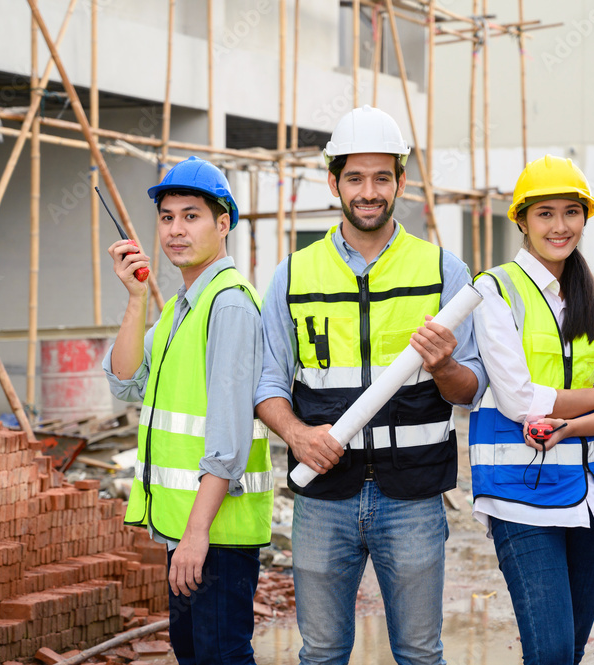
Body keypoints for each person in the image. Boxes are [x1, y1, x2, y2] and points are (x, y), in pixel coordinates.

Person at [255, 105, 487, 665]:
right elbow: (266, 380)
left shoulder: (444, 272)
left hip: (412, 497)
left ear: (400, 183)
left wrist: (443, 366)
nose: (369, 191)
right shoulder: (293, 273)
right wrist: (297, 433)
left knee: (418, 654)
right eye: (355, 177)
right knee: (322, 653)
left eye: (382, 177)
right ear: (333, 182)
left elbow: (471, 387)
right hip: (323, 495)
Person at [468, 155, 594, 664]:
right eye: (544, 213)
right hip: (521, 497)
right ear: (521, 220)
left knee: (570, 653)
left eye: (571, 211)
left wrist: (571, 424)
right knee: (550, 654)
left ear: (585, 218)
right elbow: (519, 398)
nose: (559, 226)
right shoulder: (494, 289)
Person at [102, 156, 273, 665]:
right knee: (194, 654)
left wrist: (196, 536)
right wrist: (136, 299)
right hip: (188, 528)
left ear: (223, 224)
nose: (176, 229)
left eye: (191, 215)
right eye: (167, 217)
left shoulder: (229, 305)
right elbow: (126, 382)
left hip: (215, 534)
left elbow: (229, 437)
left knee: (220, 655)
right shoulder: (183, 306)